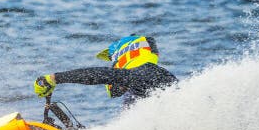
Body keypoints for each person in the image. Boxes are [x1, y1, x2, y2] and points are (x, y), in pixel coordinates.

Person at [34, 34, 177, 106]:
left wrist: (54, 78)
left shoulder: (145, 73)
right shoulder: (158, 75)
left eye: (113, 62)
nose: (112, 66)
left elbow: (99, 75)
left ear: (122, 56)